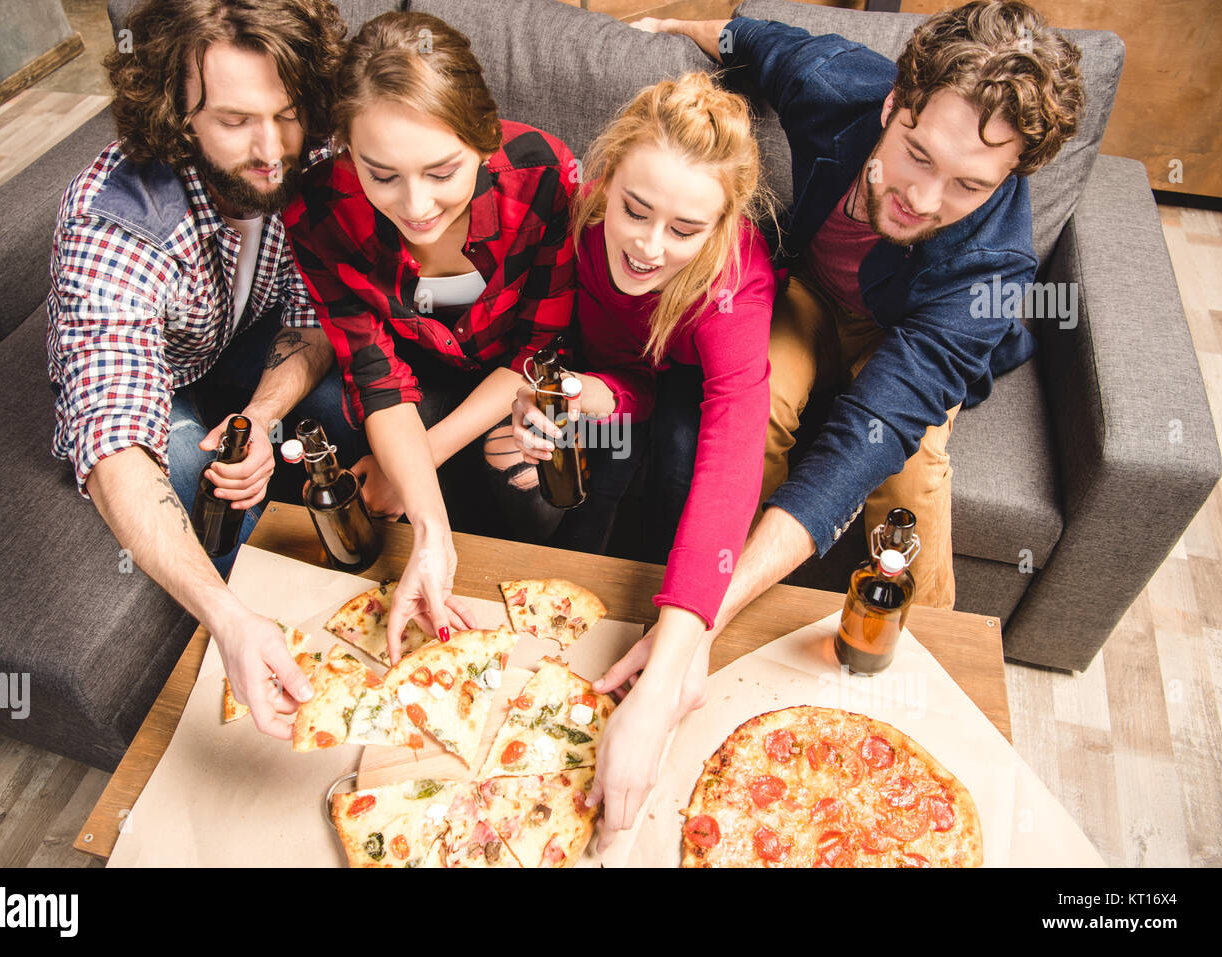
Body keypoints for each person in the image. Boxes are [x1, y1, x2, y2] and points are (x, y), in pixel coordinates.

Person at [588, 0, 1085, 842]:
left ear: (1011, 178)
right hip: (812, 296)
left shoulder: (990, 268)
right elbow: (750, 37)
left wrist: (688, 625)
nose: (923, 197)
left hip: (914, 338)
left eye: (969, 184)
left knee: (911, 486)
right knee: (766, 410)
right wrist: (671, 24)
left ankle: (917, 691)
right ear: (893, 102)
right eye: (915, 154)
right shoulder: (837, 82)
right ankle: (717, 646)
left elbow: (868, 436)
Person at [47, 0, 356, 740]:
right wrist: (229, 618)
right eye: (233, 120)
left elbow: (317, 312)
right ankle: (240, 626)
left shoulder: (312, 148)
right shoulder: (111, 221)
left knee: (351, 398)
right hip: (162, 375)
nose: (272, 148)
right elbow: (113, 437)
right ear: (176, 114)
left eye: (285, 114)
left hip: (244, 339)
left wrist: (262, 416)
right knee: (192, 464)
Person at [508, 73, 776, 845]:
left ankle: (657, 619)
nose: (648, 246)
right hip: (616, 387)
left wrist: (661, 691)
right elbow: (537, 330)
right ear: (606, 178)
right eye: (633, 209)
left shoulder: (736, 286)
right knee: (589, 480)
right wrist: (563, 392)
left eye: (686, 229)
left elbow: (732, 460)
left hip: (686, 405)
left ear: (722, 228)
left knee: (682, 455)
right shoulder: (570, 213)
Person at [283, 12, 578, 662]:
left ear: (482, 137)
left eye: (442, 172)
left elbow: (539, 349)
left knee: (533, 493)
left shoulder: (545, 175)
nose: (415, 206)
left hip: (522, 379)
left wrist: (419, 460)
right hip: (423, 376)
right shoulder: (318, 209)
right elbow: (375, 373)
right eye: (381, 174)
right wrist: (430, 527)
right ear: (346, 151)